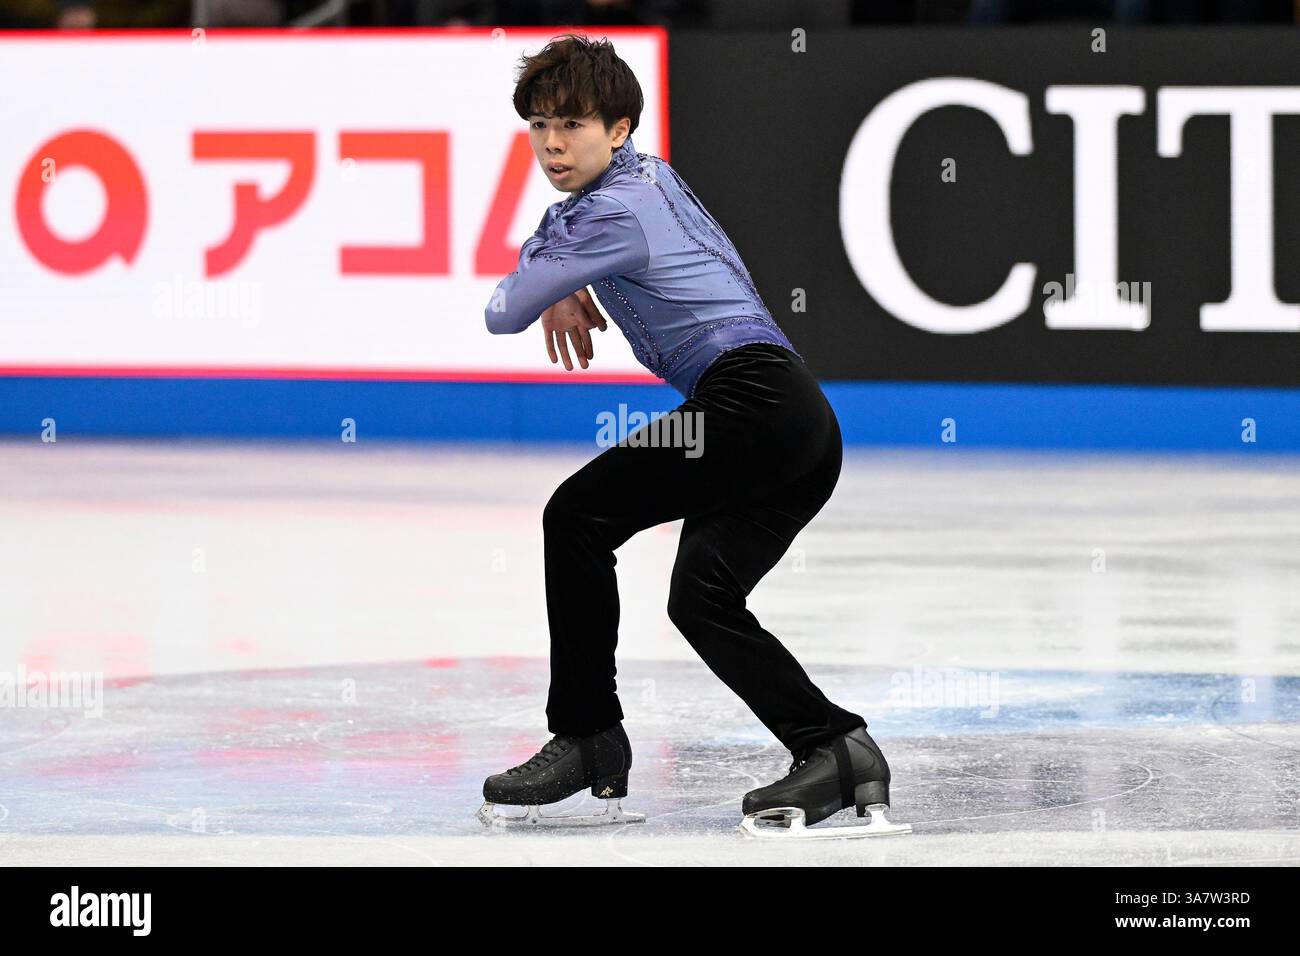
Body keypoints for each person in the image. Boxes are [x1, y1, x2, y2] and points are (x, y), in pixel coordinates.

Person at [478, 33, 902, 835]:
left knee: (577, 515)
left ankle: (588, 736)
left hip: (751, 403)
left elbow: (503, 310)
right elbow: (559, 240)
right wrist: (559, 272)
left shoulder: (613, 210)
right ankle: (836, 747)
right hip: (800, 421)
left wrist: (552, 279)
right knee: (702, 600)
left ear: (620, 128)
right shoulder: (649, 179)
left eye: (571, 124)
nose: (552, 144)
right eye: (538, 125)